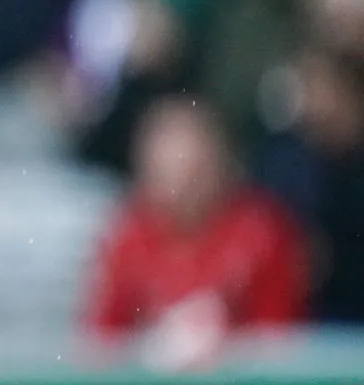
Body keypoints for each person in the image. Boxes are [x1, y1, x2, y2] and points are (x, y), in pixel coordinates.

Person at [88, 95, 308, 343]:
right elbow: (102, 341)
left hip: (238, 379)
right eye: (165, 174)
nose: (179, 189)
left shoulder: (263, 232)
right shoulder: (126, 236)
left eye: (193, 174)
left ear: (219, 165)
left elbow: (280, 342)